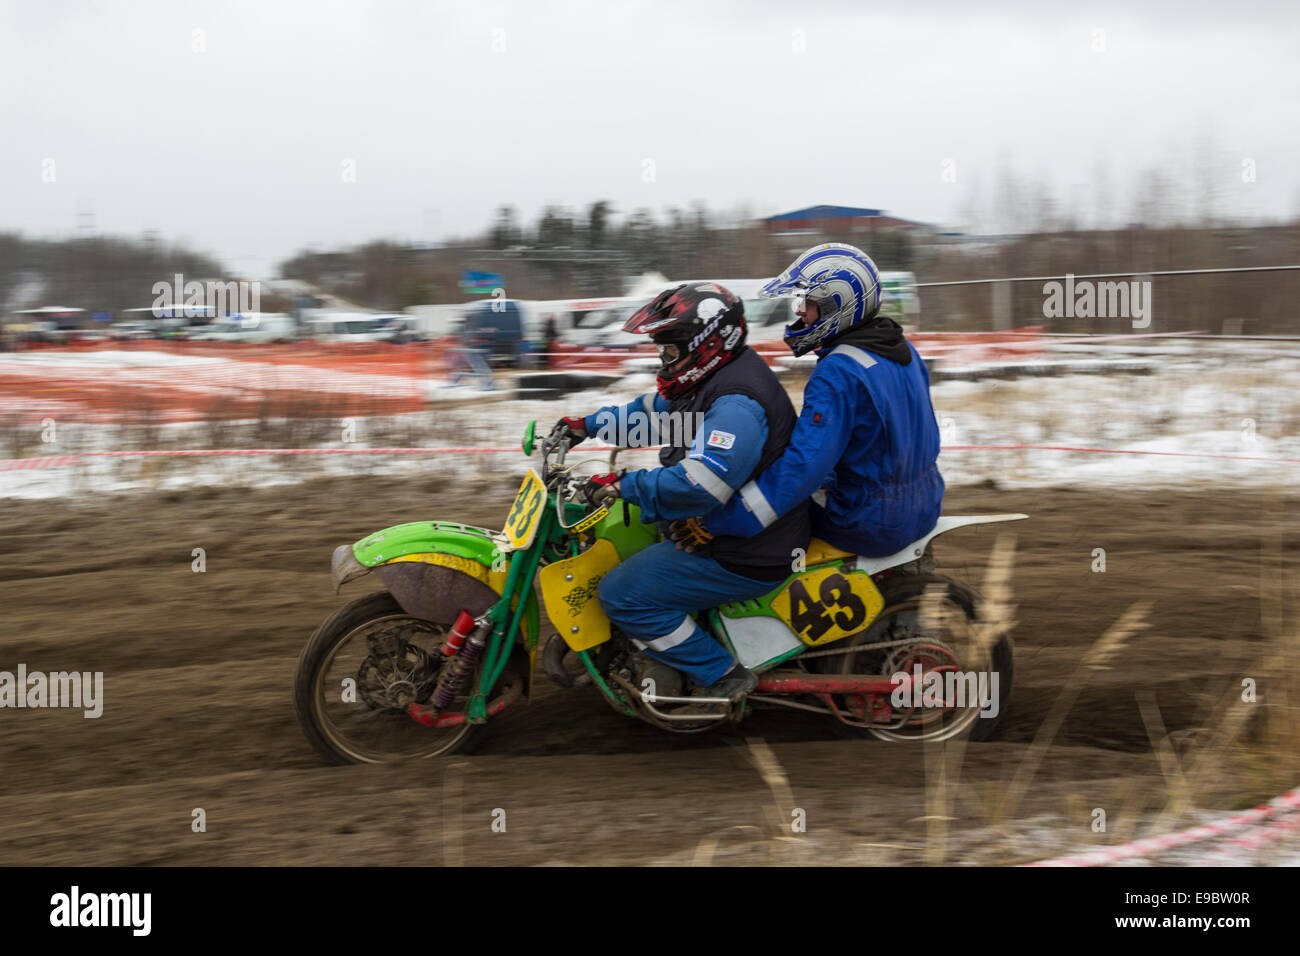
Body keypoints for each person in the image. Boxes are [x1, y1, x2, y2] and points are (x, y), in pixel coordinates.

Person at [551, 282, 810, 702]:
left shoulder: (736, 403)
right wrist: (587, 426)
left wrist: (623, 485)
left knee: (621, 594)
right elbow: (653, 415)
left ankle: (720, 673)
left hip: (746, 549)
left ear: (707, 343)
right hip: (727, 529)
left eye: (671, 349)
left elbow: (701, 484)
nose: (664, 359)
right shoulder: (711, 380)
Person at [669, 243, 944, 560]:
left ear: (837, 306)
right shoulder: (900, 349)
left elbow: (802, 467)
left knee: (766, 523)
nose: (800, 310)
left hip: (869, 524)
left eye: (809, 301)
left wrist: (718, 522)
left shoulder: (839, 371)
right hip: (925, 504)